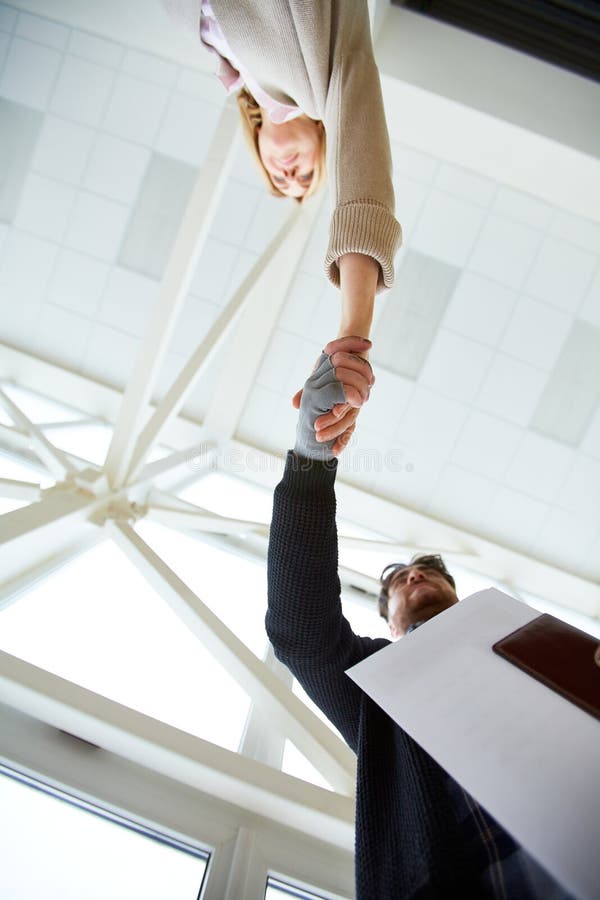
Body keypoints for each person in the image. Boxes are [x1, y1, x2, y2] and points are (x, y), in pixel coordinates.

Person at [266, 336, 571, 899]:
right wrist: (311, 458)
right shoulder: (378, 684)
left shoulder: (531, 642)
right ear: (389, 624)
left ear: (456, 592)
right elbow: (302, 633)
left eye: (426, 570)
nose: (413, 576)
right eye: (399, 580)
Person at [162, 0, 402, 356]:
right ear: (323, 138)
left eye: (278, 179)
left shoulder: (222, 60)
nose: (289, 175)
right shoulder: (323, 79)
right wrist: (352, 336)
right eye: (305, 175)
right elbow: (361, 175)